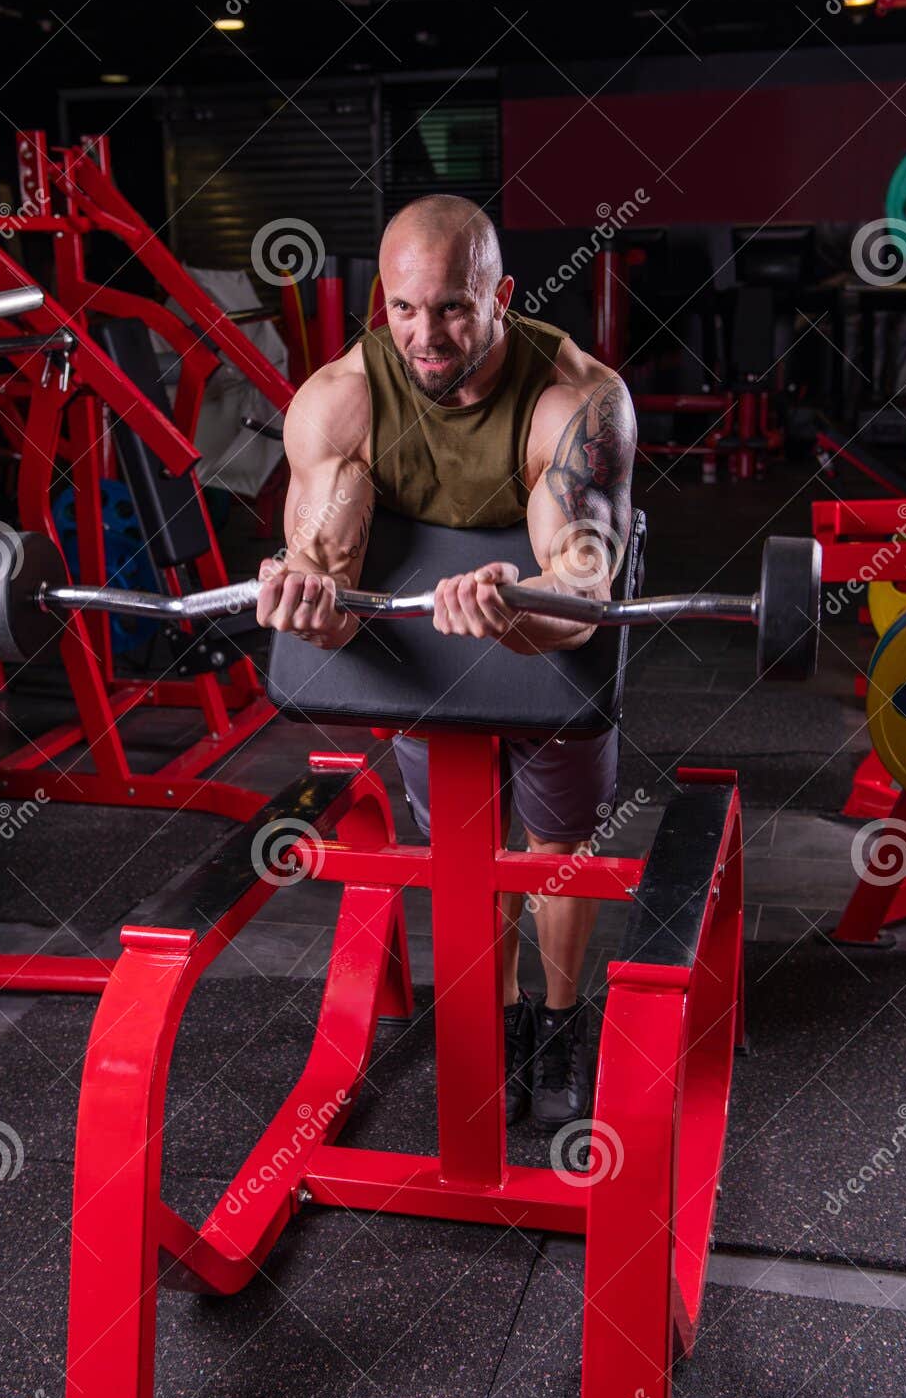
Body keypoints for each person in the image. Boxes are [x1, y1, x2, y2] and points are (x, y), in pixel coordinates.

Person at [255, 194, 636, 1132]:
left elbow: (584, 597)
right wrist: (310, 605)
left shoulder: (577, 400)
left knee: (552, 848)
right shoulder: (339, 399)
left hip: (540, 631)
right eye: (404, 309)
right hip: (419, 644)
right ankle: (497, 1016)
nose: (427, 336)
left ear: (500, 293)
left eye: (455, 309)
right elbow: (324, 572)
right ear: (379, 301)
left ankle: (558, 1018)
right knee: (466, 845)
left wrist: (518, 617)